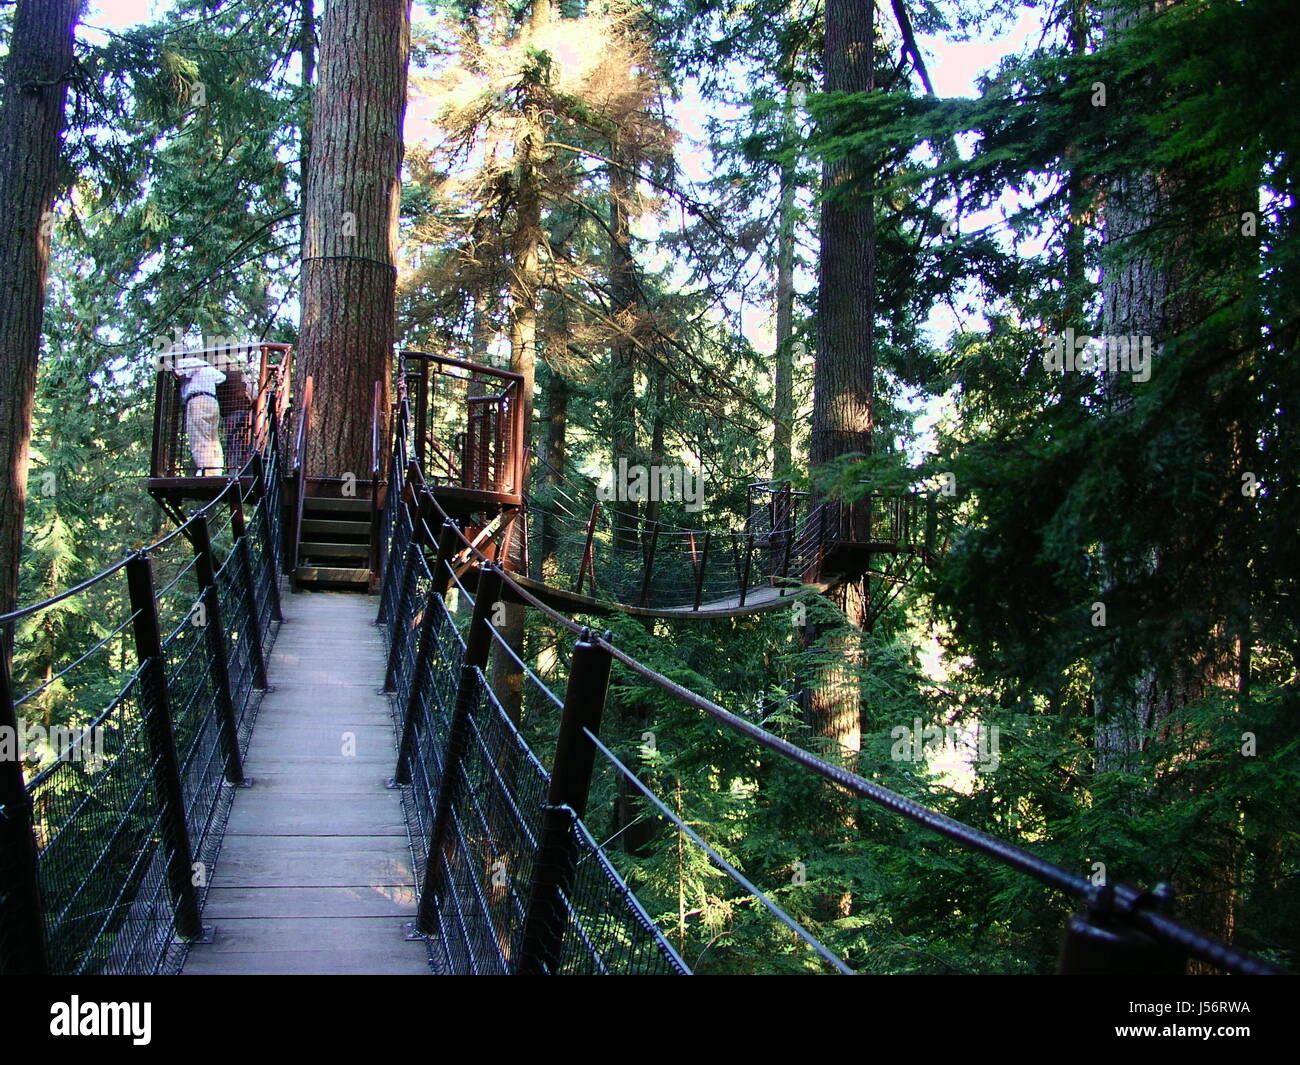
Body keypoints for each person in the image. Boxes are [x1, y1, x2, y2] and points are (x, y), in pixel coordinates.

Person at [171, 355, 226, 474]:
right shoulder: (207, 366)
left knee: (198, 437)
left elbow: (177, 373)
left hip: (196, 400)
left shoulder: (185, 362)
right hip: (212, 401)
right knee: (213, 438)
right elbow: (222, 377)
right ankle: (216, 471)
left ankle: (205, 471)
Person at [216, 353, 254, 470]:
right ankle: (249, 471)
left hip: (232, 414)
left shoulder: (218, 375)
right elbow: (253, 393)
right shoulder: (239, 374)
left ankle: (234, 474)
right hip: (247, 412)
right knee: (248, 445)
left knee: (235, 445)